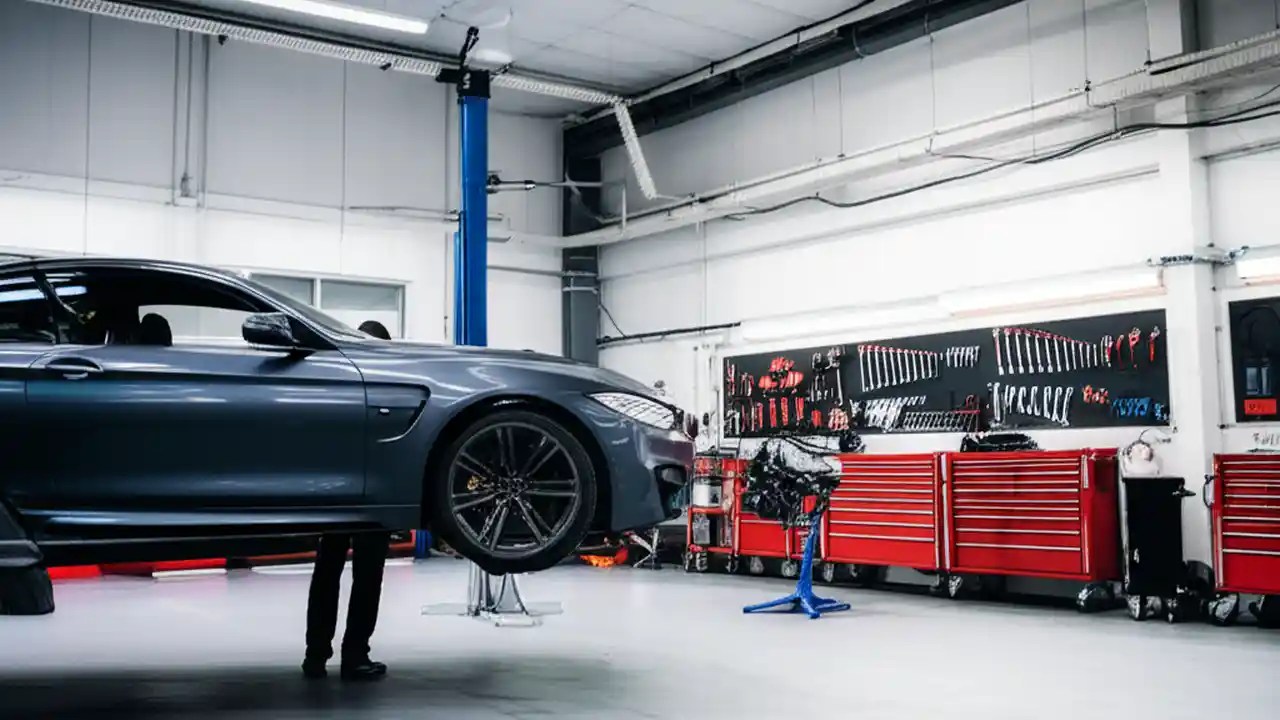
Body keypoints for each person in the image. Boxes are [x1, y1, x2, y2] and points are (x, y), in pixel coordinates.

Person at [302, 319, 393, 681]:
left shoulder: (339, 381)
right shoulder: (386, 385)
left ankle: (315, 655)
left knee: (327, 572)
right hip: (372, 497)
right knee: (367, 576)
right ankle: (355, 655)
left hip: (338, 496)